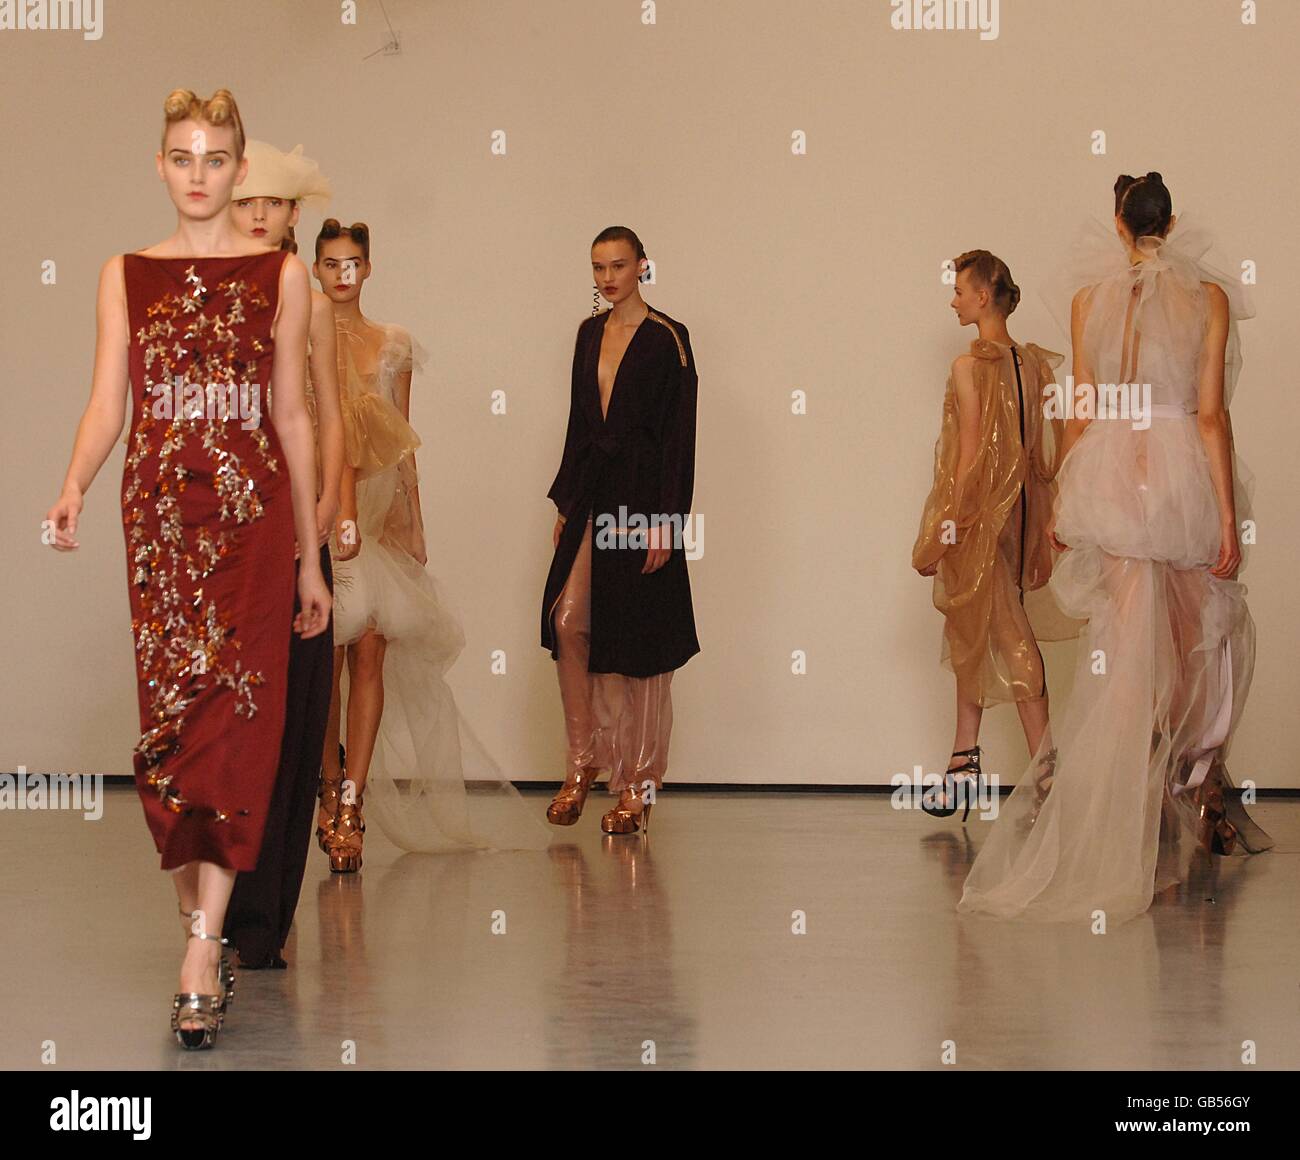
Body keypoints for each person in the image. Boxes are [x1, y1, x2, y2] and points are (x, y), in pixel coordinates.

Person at [44, 89, 329, 1047]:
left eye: (215, 158)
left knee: (237, 739)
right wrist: (75, 483)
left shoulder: (282, 278)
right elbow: (104, 404)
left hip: (252, 535)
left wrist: (313, 560)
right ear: (160, 166)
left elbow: (292, 418)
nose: (199, 173)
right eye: (182, 156)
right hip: (161, 528)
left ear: (240, 171)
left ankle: (203, 952)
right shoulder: (124, 275)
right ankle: (198, 925)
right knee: (174, 743)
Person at [958, 173, 1274, 924]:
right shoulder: (1209, 299)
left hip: (1111, 468)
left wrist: (1067, 495)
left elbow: (1085, 404)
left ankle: (1127, 822)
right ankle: (1188, 793)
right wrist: (1227, 517)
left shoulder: (1087, 300)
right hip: (1180, 474)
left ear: (1119, 222)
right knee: (1199, 638)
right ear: (1171, 221)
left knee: (1128, 648)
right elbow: (1209, 416)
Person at [313, 219, 548, 867]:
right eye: (330, 263)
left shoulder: (393, 346)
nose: (342, 274)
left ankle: (351, 810)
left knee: (370, 650)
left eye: (352, 262)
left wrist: (415, 520)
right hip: (322, 513)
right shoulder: (303, 341)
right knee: (325, 667)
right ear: (315, 270)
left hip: (379, 516)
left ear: (368, 268)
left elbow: (404, 439)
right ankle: (328, 791)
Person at [223, 139, 346, 968]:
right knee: (234, 719)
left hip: (297, 526)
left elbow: (329, 416)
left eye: (274, 202)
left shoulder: (312, 299)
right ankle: (219, 906)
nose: (260, 213)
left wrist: (325, 514)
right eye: (246, 200)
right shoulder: (214, 296)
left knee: (297, 719)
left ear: (294, 214)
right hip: (230, 529)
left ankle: (265, 919)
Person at [540, 226, 700, 834]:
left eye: (618, 266)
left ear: (642, 268)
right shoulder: (588, 332)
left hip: (640, 500)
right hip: (592, 491)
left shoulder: (668, 339)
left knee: (635, 641)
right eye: (598, 268)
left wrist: (667, 520)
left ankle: (637, 783)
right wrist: (564, 503)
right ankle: (582, 766)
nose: (607, 279)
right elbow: (580, 422)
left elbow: (680, 437)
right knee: (568, 620)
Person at [912, 250, 1079, 821]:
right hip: (1020, 522)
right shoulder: (1032, 365)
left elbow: (968, 459)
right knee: (972, 635)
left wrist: (943, 529)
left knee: (1010, 639)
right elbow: (1043, 454)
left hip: (981, 523)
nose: (953, 299)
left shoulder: (969, 366)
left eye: (959, 290)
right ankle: (963, 766)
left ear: (983, 296)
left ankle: (1051, 772)